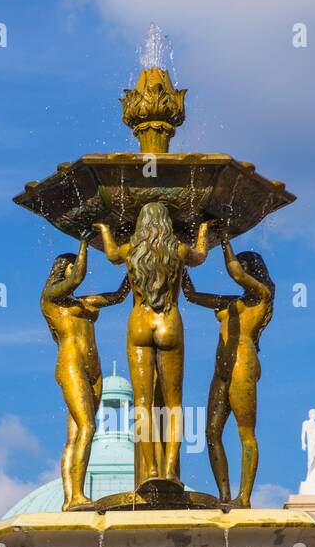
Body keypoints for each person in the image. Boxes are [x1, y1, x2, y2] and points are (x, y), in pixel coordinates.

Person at [95, 205, 211, 485]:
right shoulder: (179, 250)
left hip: (139, 322)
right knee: (173, 404)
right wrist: (205, 230)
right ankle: (171, 470)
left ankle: (150, 471)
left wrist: (102, 228)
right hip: (168, 321)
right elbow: (201, 256)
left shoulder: (130, 250)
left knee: (143, 403)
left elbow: (110, 254)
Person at [181, 240, 275, 508]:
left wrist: (224, 240)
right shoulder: (234, 302)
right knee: (211, 432)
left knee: (245, 433)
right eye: (241, 267)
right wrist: (178, 262)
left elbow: (234, 272)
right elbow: (190, 294)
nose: (241, 274)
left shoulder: (262, 296)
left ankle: (243, 497)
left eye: (246, 268)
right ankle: (224, 496)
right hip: (221, 368)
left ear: (254, 272)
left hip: (242, 362)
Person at [40, 238, 129, 510]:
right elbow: (78, 276)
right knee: (88, 427)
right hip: (71, 364)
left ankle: (73, 495)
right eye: (70, 268)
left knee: (78, 431)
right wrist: (84, 242)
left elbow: (118, 296)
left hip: (94, 369)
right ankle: (74, 496)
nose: (75, 272)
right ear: (61, 271)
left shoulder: (83, 303)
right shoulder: (51, 301)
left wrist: (134, 265)